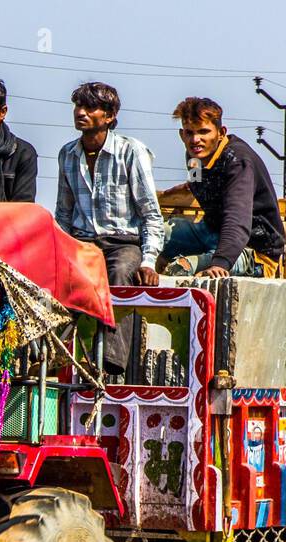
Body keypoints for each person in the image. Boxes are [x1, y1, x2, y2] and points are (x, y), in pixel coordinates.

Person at [55, 81, 164, 373]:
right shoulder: (67, 154)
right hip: (82, 242)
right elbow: (63, 215)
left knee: (120, 273)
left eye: (90, 107)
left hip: (122, 243)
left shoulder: (131, 152)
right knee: (59, 280)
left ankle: (111, 359)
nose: (81, 112)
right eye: (78, 106)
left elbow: (152, 215)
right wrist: (58, 252)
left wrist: (149, 260)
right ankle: (52, 356)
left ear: (109, 116)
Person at [157, 97, 285, 278]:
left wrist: (220, 262)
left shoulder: (237, 162)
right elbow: (196, 182)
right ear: (182, 134)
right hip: (210, 231)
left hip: (251, 250)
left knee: (180, 269)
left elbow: (237, 218)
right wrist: (175, 192)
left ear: (220, 133)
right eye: (189, 133)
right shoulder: (194, 157)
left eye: (204, 132)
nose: (196, 139)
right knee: (152, 235)